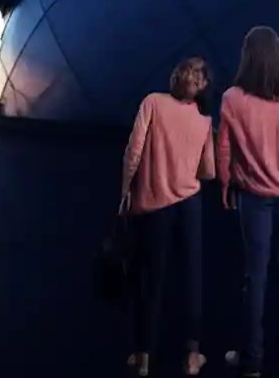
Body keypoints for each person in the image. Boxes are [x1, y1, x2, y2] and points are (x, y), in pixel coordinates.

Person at [217, 26, 279, 377]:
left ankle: (251, 359)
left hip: (252, 199)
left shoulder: (231, 99)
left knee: (254, 278)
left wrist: (226, 185)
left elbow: (224, 148)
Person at [119, 57, 216, 377]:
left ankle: (144, 356)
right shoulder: (203, 120)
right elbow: (209, 171)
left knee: (150, 279)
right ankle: (192, 356)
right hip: (189, 203)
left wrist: (124, 191)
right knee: (192, 277)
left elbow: (134, 150)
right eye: (186, 70)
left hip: (153, 204)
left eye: (191, 72)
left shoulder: (153, 102)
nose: (186, 74)